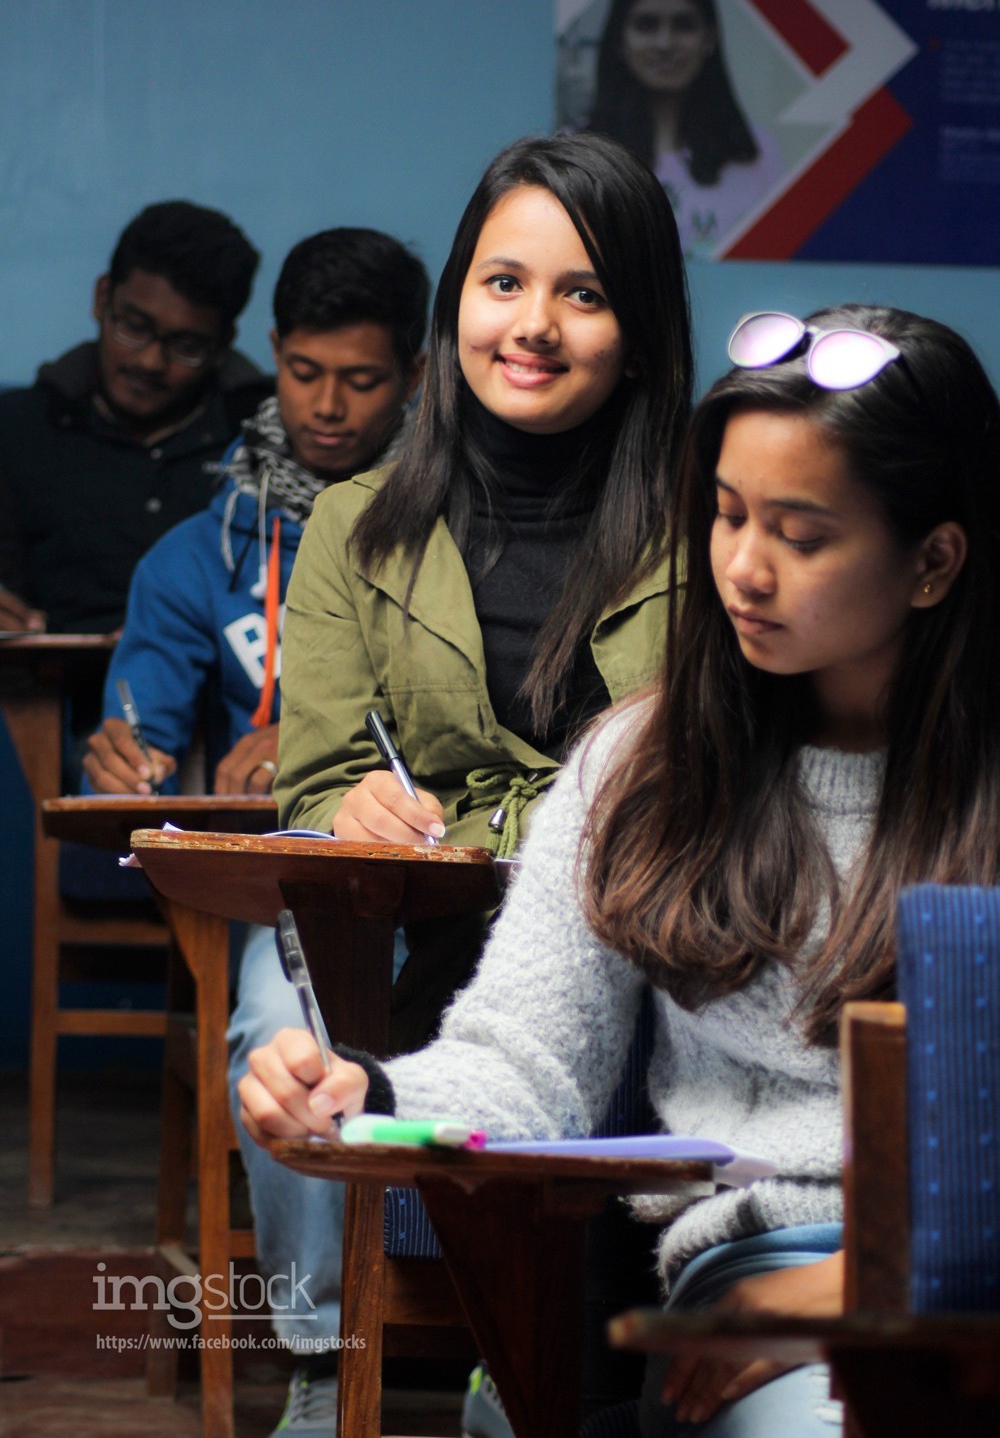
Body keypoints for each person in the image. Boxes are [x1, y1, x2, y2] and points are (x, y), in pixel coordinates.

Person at [239, 303, 1000, 1438]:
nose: (741, 568)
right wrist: (369, 1097)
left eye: (799, 535)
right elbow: (526, 1063)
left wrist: (889, 1287)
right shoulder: (639, 768)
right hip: (758, 1273)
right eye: (727, 515)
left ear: (933, 561)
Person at [228, 132, 693, 1433]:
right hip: (436, 943)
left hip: (656, 944)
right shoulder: (354, 523)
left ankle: (542, 1372)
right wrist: (344, 806)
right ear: (456, 312)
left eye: (583, 293)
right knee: (328, 1030)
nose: (532, 325)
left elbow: (718, 782)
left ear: (643, 331)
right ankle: (454, 1369)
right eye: (502, 284)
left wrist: (524, 831)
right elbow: (316, 773)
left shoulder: (716, 522)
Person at [82, 226, 429, 798]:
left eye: (361, 381)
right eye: (304, 372)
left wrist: (313, 741)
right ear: (274, 352)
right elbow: (138, 756)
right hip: (254, 862)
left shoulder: (470, 528)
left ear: (414, 377)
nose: (326, 407)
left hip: (426, 850)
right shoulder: (194, 559)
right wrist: (119, 770)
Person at [0, 199, 268, 635]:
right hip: (51, 688)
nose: (149, 361)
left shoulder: (267, 435)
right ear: (102, 297)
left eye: (185, 345)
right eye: (134, 326)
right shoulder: (15, 429)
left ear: (222, 345)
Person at [583, 0, 784, 258]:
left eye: (684, 24)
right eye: (647, 25)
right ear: (619, 38)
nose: (665, 43)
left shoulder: (759, 157)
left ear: (710, 36)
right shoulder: (576, 155)